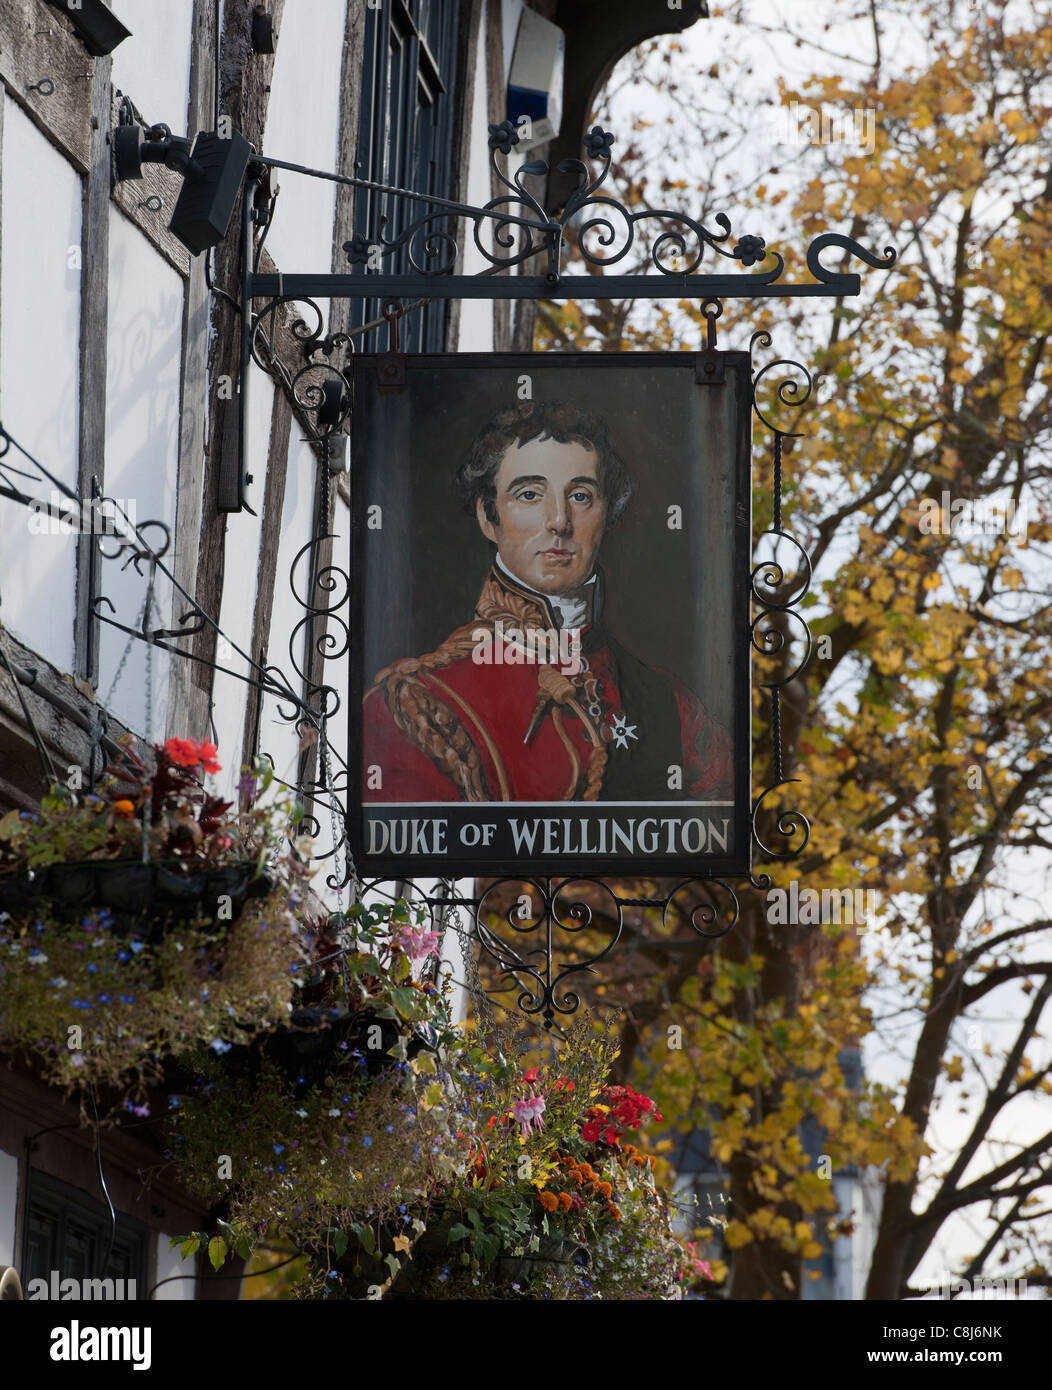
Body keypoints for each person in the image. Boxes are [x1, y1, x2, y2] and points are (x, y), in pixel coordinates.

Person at [362, 399, 732, 803]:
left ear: (606, 515)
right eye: (530, 495)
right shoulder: (421, 704)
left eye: (581, 496)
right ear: (489, 517)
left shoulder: (668, 702)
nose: (559, 521)